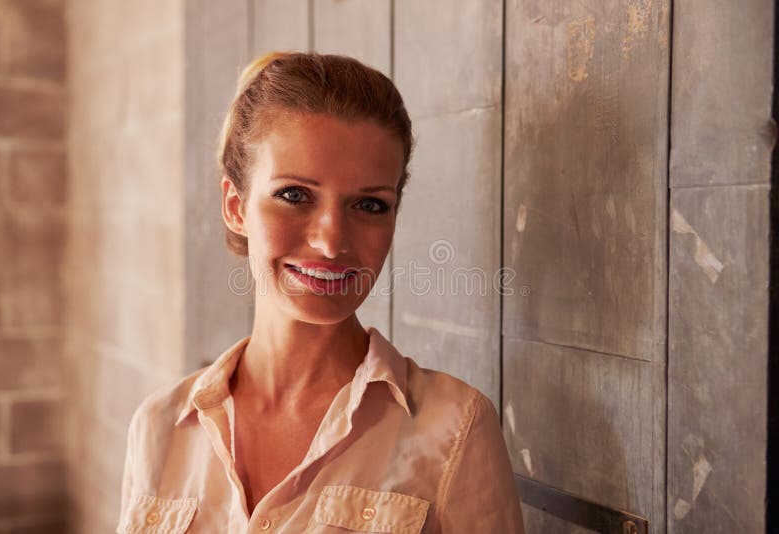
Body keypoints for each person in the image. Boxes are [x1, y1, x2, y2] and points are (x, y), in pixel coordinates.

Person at [116, 51, 525, 534]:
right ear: (235, 207)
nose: (332, 242)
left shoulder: (454, 429)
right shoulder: (159, 427)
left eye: (370, 205)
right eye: (294, 195)